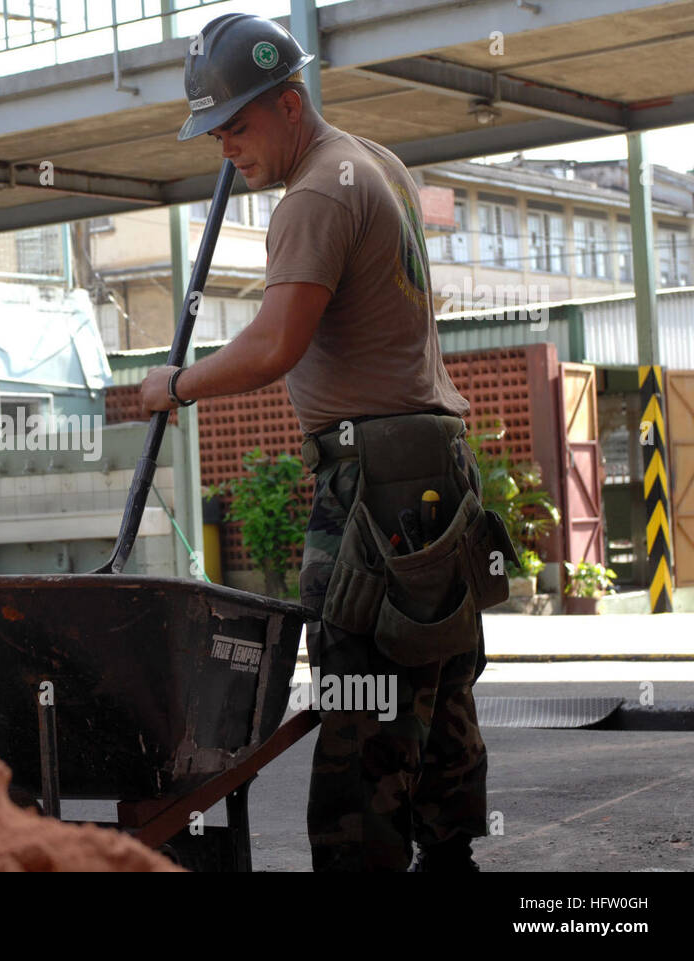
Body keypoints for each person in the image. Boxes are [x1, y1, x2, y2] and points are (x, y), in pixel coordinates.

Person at [141, 14, 514, 871]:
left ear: (290, 102)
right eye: (213, 131)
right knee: (438, 688)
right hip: (436, 466)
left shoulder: (315, 190)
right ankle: (451, 859)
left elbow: (275, 345)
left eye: (237, 125)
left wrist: (178, 383)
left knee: (364, 702)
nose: (225, 148)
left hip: (375, 484)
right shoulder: (371, 158)